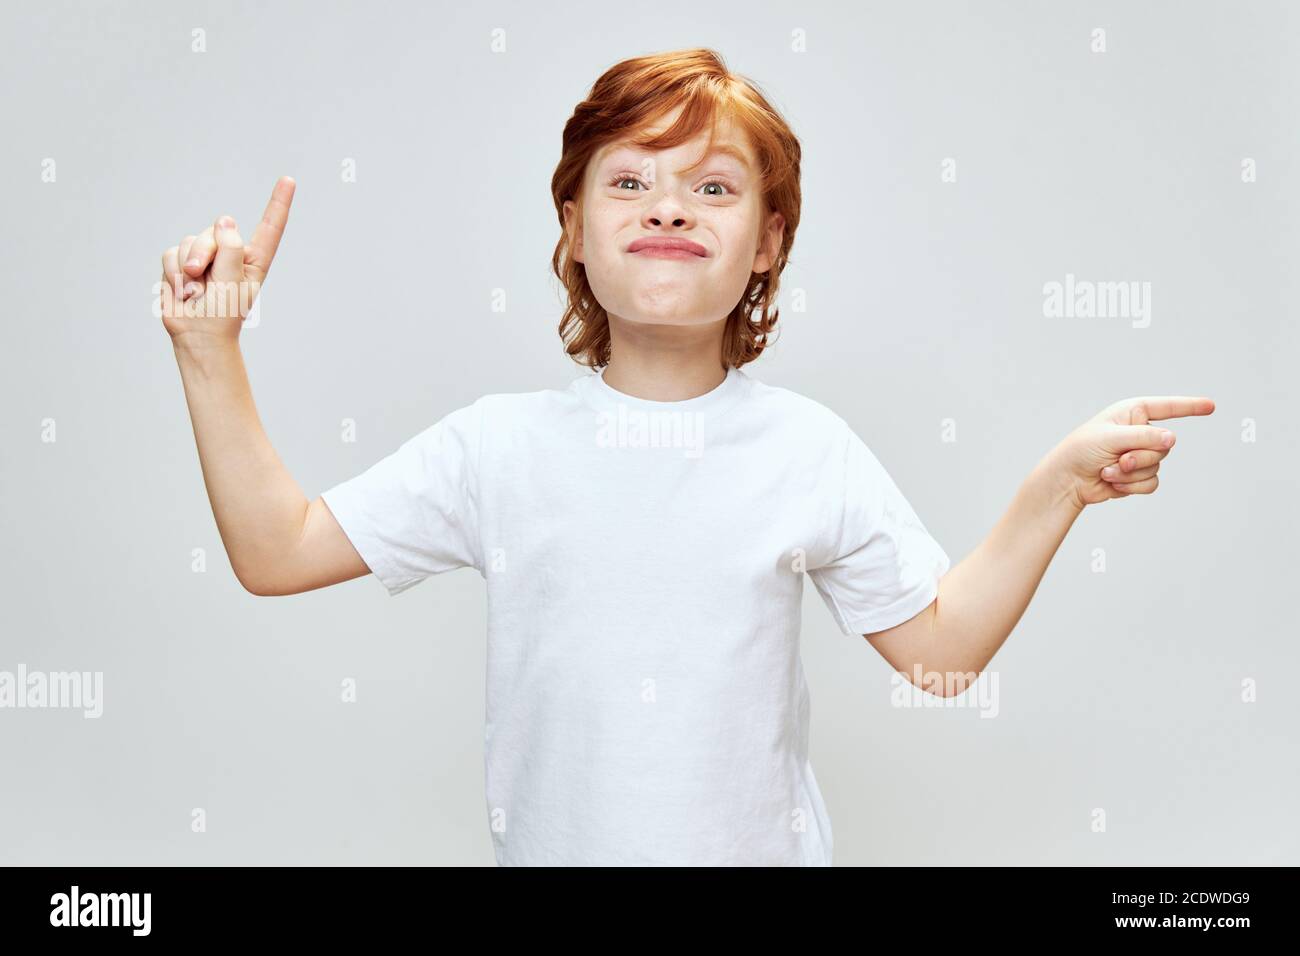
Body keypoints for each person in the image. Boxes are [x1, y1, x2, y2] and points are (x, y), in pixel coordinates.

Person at [157, 48, 1214, 866]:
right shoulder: (495, 447)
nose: (667, 203)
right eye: (629, 181)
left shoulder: (808, 450)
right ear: (572, 227)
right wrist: (210, 349)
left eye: (713, 187)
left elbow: (944, 651)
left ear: (767, 242)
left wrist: (1059, 487)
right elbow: (275, 548)